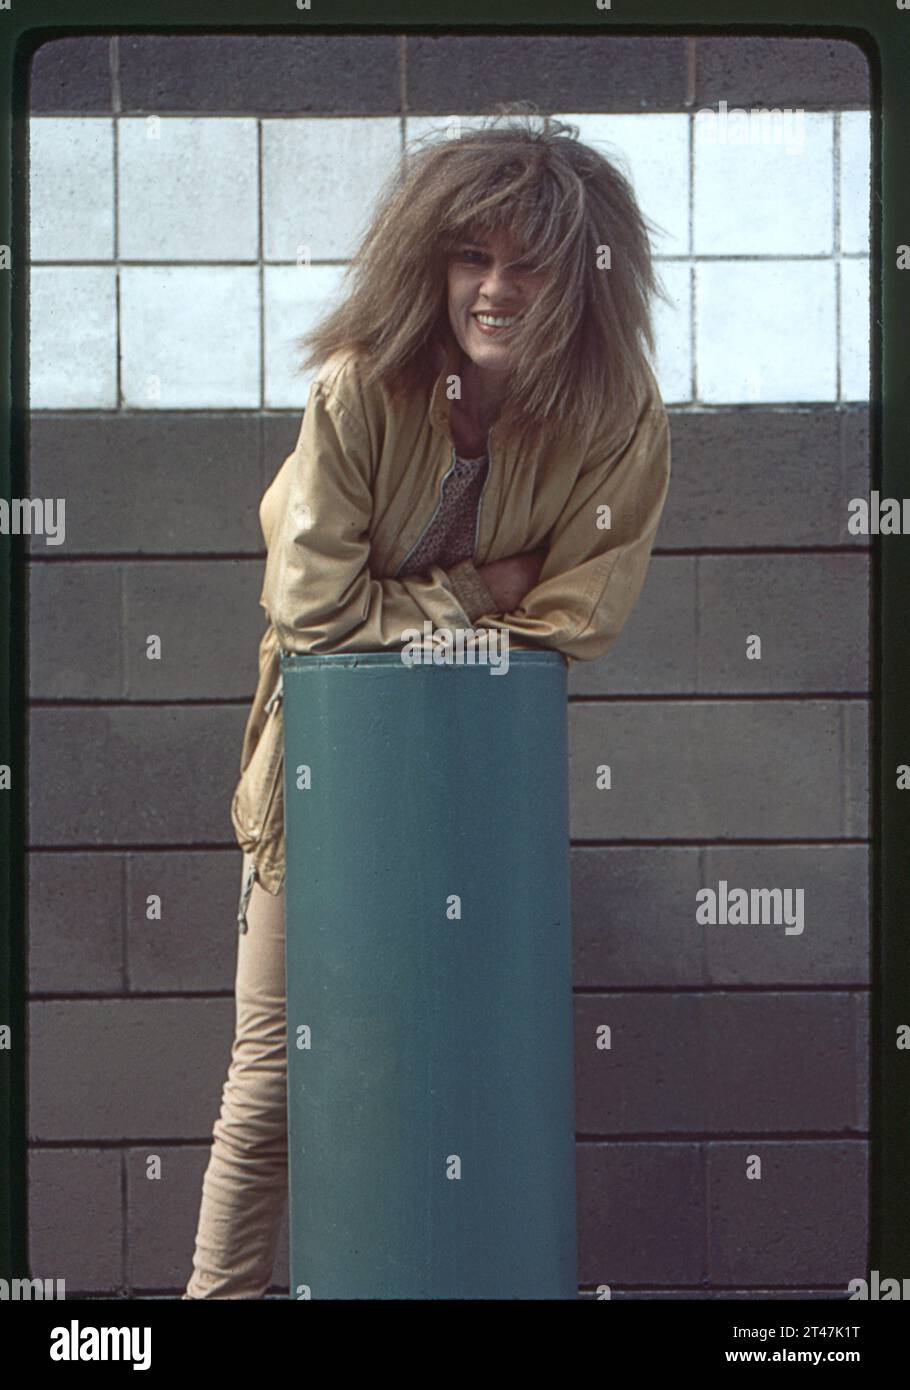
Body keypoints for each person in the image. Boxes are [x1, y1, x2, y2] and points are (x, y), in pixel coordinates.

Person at [183, 111, 672, 1298]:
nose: (495, 287)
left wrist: (410, 599)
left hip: (479, 789)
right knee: (273, 1075)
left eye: (529, 261)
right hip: (319, 778)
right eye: (471, 255)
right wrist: (473, 589)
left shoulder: (619, 420)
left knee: (466, 1064)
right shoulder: (356, 393)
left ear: (580, 276)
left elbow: (577, 617)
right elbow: (314, 617)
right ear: (430, 260)